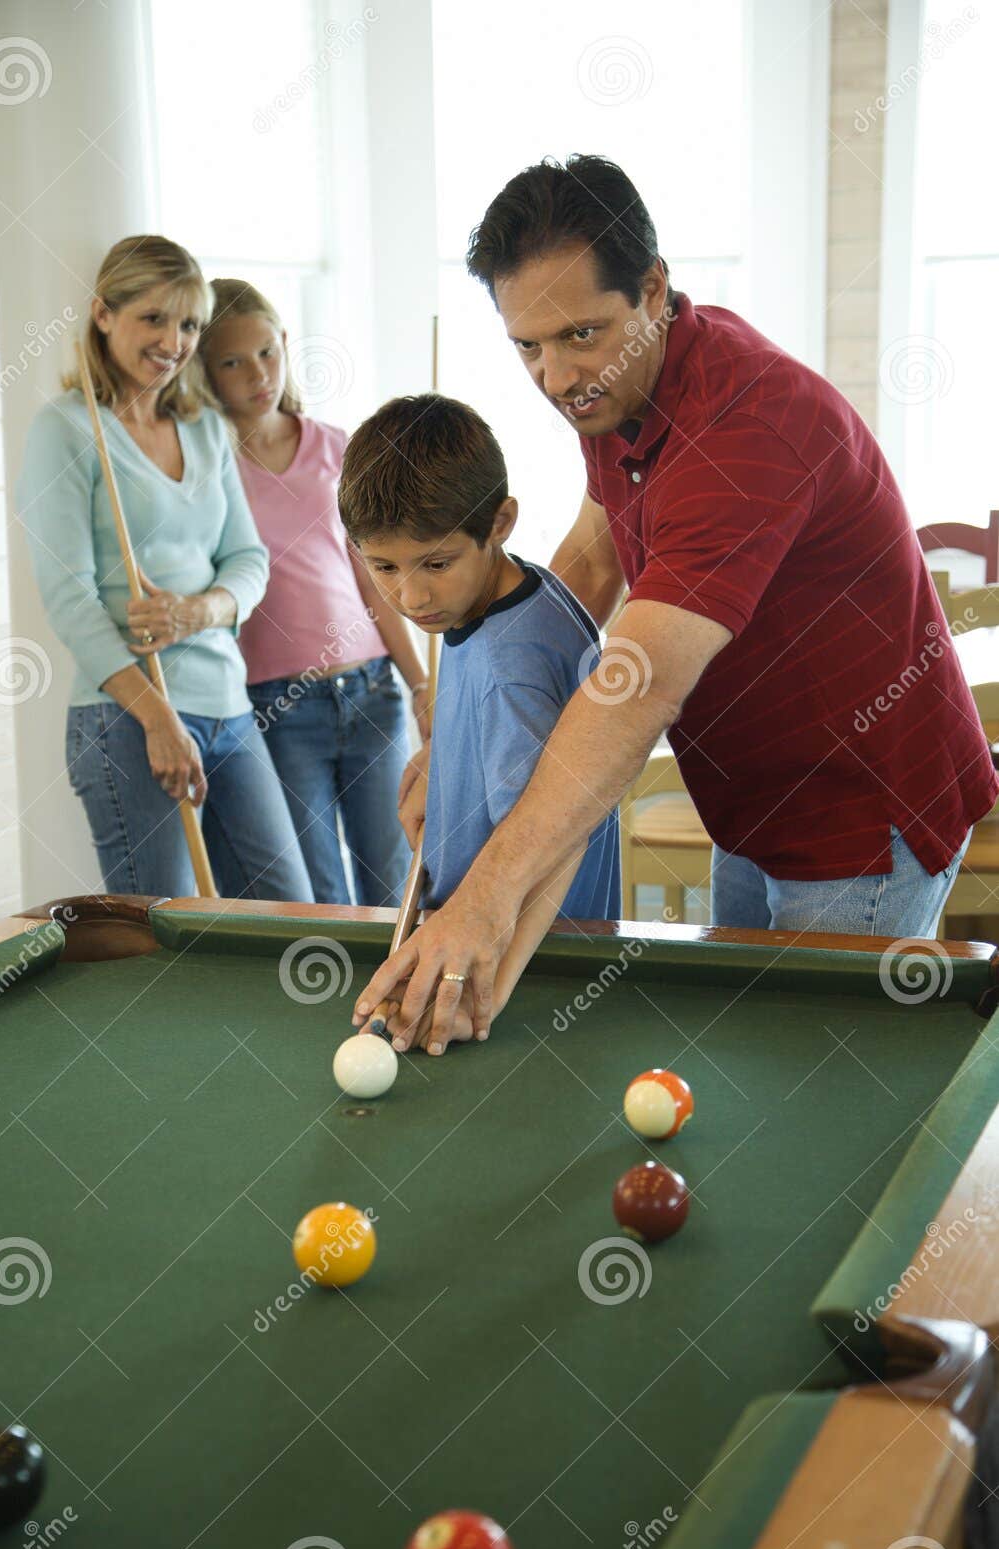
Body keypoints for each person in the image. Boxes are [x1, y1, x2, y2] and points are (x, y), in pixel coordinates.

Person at [353, 154, 998, 1052]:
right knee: (745, 1059)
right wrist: (458, 742)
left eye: (580, 332)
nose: (553, 376)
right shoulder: (617, 388)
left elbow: (637, 682)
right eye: (526, 344)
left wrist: (484, 900)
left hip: (861, 812)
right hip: (747, 795)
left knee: (818, 1085)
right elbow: (581, 573)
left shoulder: (745, 431)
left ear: (652, 289)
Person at [17, 236, 313, 901]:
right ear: (102, 315)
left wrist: (198, 611)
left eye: (188, 324)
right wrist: (157, 718)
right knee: (163, 937)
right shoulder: (64, 430)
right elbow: (68, 599)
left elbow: (248, 560)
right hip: (125, 718)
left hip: (227, 707)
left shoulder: (205, 425)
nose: (174, 341)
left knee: (293, 913)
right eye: (153, 318)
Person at [339, 393, 620, 1051]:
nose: (410, 596)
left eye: (434, 563)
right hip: (521, 957)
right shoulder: (525, 594)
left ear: (499, 522)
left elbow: (561, 827)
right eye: (383, 566)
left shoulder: (508, 665)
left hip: (525, 980)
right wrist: (449, 760)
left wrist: (475, 987)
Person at [199, 279, 421, 906]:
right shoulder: (210, 467)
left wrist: (419, 682)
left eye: (267, 352)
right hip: (277, 707)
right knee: (318, 894)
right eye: (233, 362)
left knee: (393, 879)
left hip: (371, 690)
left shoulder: (335, 446)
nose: (257, 374)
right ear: (206, 373)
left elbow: (372, 576)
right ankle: (337, 1007)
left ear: (286, 344)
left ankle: (398, 1005)